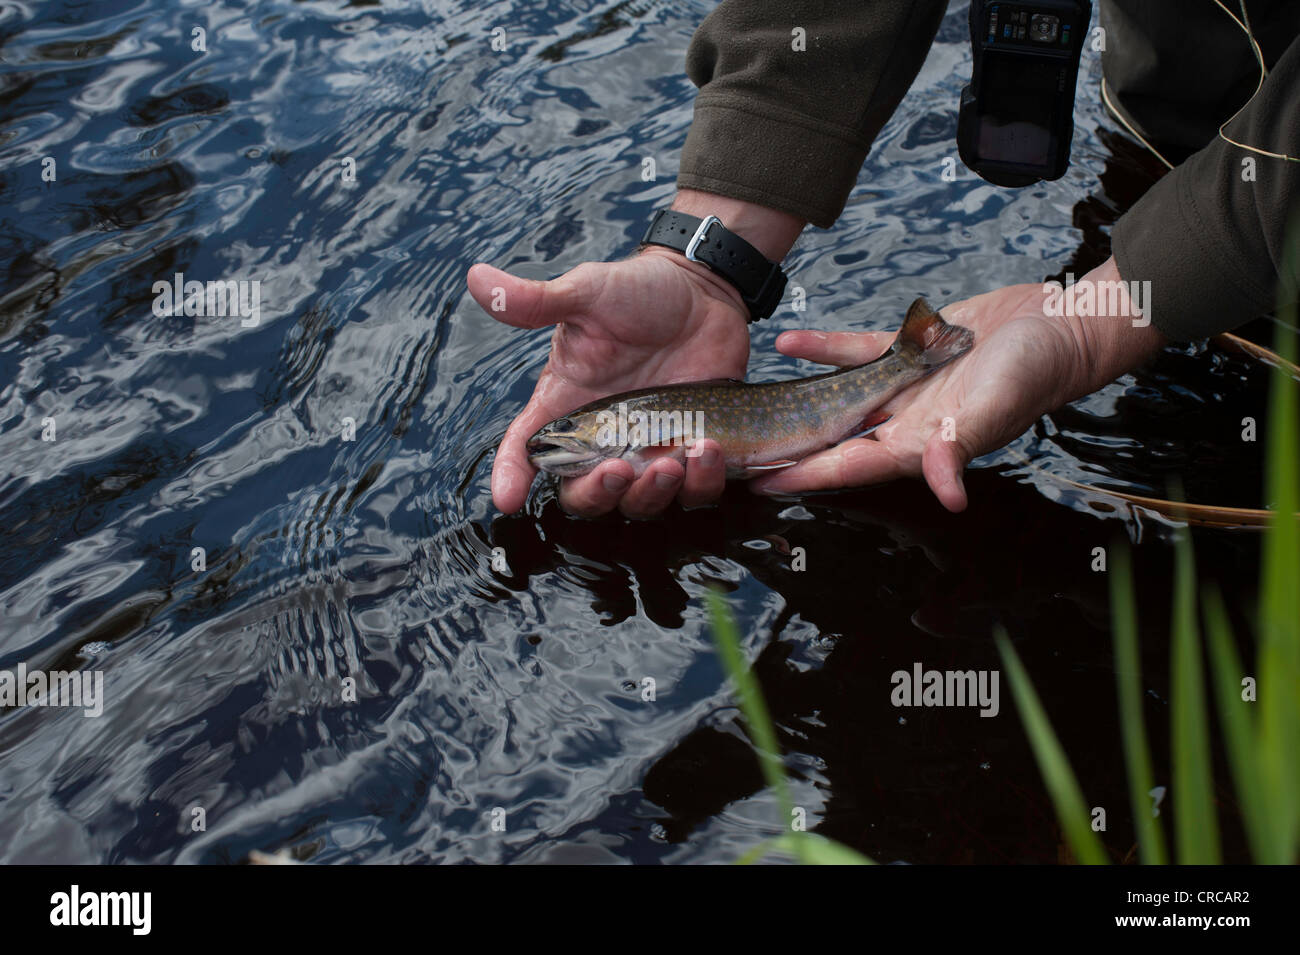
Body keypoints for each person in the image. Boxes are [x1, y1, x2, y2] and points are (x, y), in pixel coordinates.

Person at [467, 0, 1300, 519]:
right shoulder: (652, 421)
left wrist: (1096, 324)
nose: (565, 443)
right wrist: (706, 259)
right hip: (1172, 130)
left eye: (578, 434)